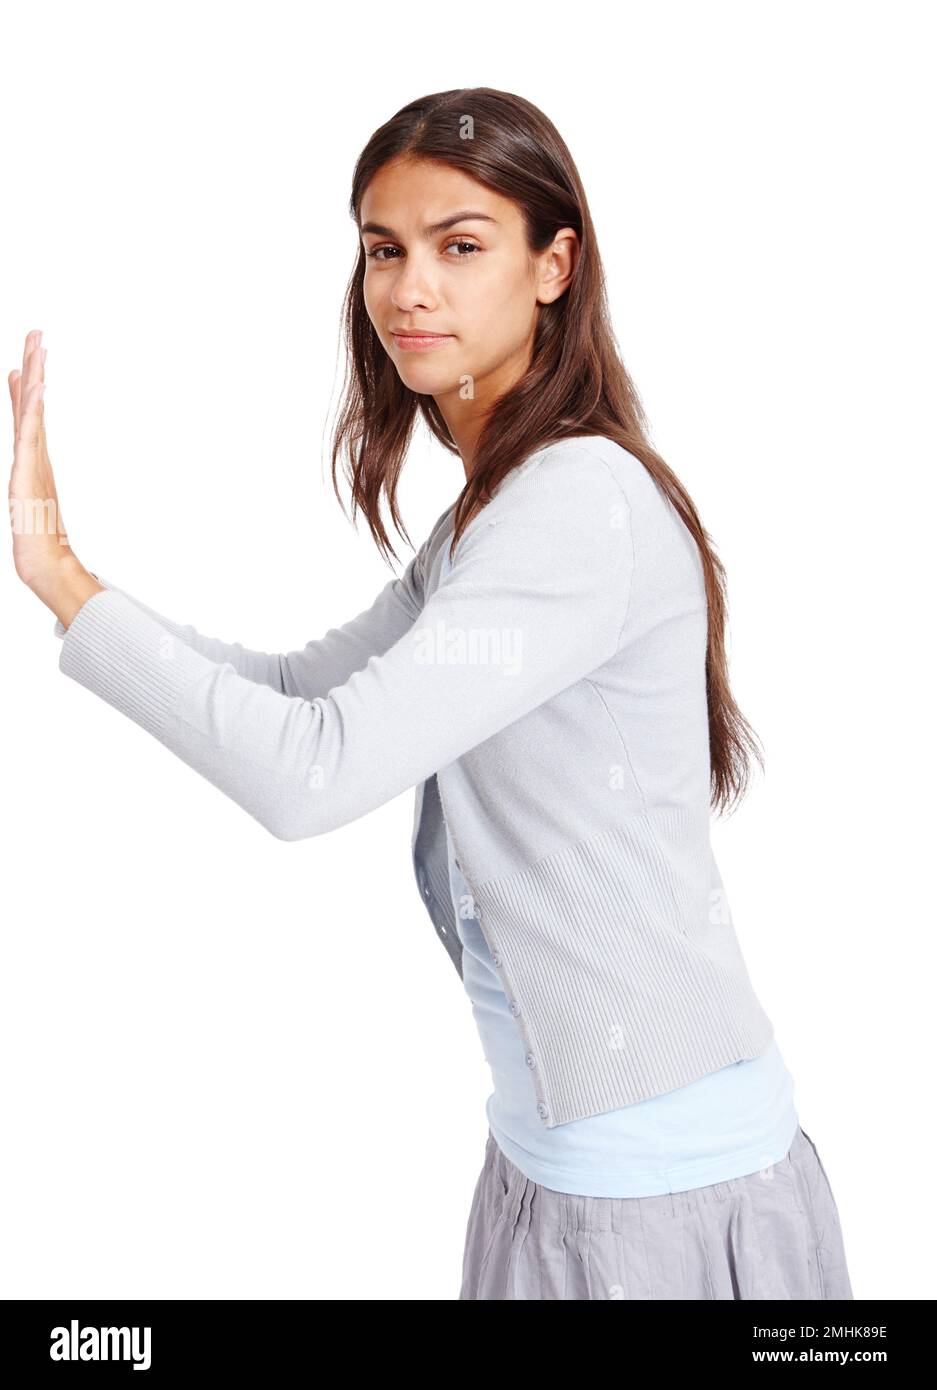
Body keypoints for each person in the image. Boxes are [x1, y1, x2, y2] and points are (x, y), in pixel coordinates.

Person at [8, 86, 853, 1301]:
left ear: (554, 264)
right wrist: (59, 576)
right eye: (384, 250)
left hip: (662, 1204)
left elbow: (312, 769)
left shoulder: (575, 506)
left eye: (462, 248)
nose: (411, 290)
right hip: (544, 1170)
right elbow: (307, 689)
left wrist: (62, 576)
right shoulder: (493, 516)